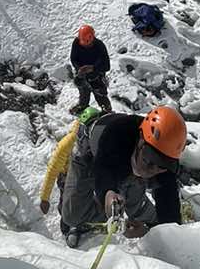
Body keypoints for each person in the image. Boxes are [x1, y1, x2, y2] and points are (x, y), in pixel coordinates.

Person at [59, 104, 185, 247]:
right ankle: (79, 219)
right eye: (148, 159)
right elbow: (103, 171)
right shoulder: (117, 135)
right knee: (72, 215)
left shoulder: (165, 157)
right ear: (140, 140)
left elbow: (170, 209)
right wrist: (108, 194)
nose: (152, 170)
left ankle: (133, 213)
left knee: (134, 205)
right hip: (91, 156)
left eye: (161, 165)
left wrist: (153, 231)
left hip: (128, 164)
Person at [38, 104, 102, 215]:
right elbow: (53, 169)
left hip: (87, 174)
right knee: (66, 205)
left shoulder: (97, 138)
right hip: (67, 177)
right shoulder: (67, 143)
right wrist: (44, 198)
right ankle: (66, 225)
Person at [70, 23, 111, 112]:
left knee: (100, 93)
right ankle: (83, 105)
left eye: (88, 43)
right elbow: (73, 58)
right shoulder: (76, 43)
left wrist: (93, 68)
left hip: (96, 74)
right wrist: (79, 69)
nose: (85, 45)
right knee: (83, 92)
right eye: (83, 42)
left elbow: (106, 65)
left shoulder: (99, 46)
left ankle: (106, 109)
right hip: (82, 73)